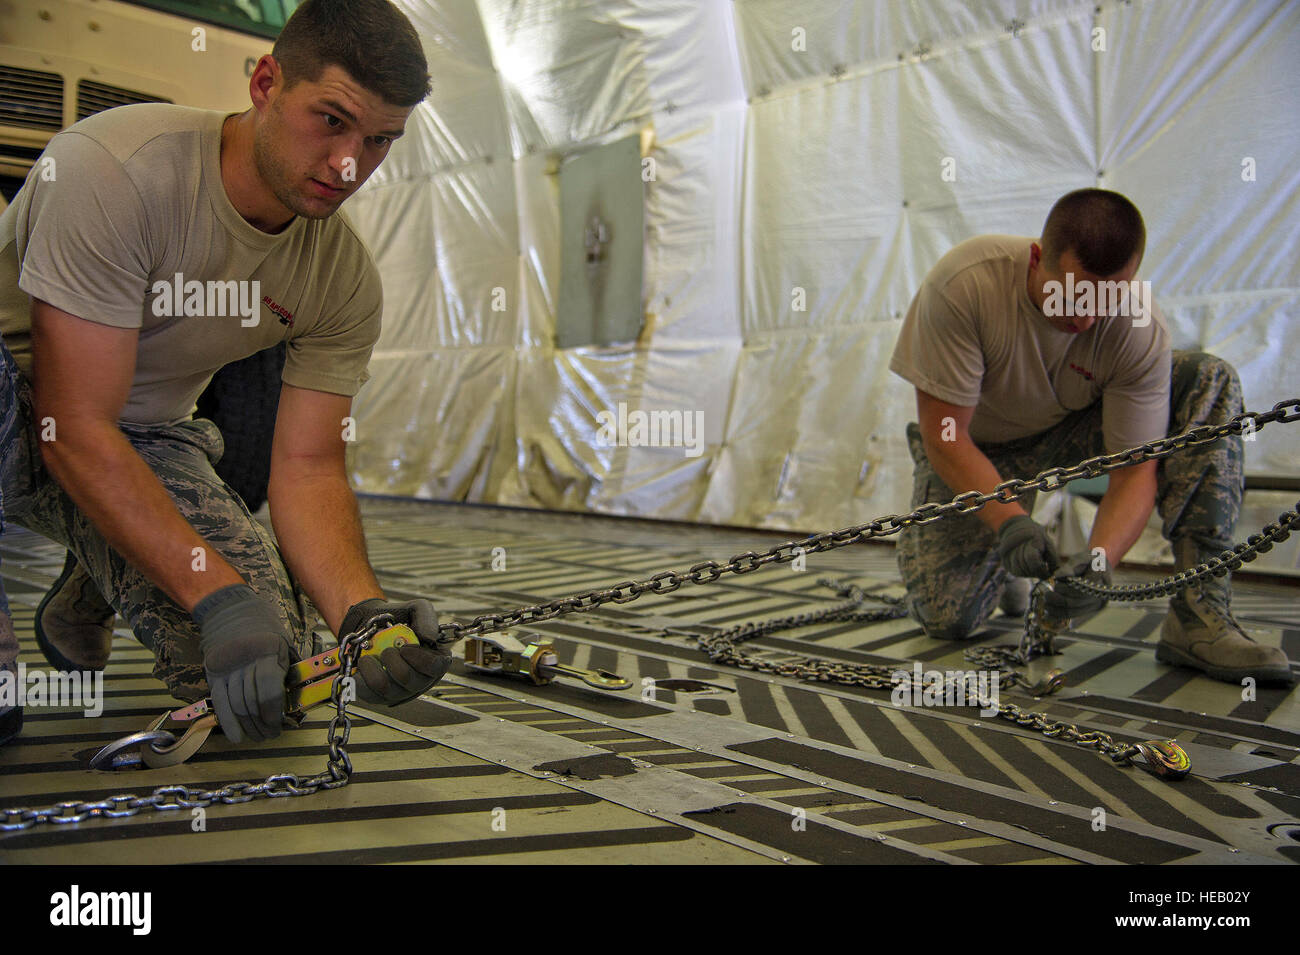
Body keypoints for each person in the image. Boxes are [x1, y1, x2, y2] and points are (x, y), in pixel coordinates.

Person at [0, 0, 452, 746]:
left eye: (379, 141)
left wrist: (360, 612)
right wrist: (215, 594)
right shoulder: (115, 170)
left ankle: (93, 578)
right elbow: (70, 428)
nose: (350, 165)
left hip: (141, 439)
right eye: (331, 120)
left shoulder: (340, 278)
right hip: (24, 405)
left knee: (274, 675)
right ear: (266, 82)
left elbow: (307, 467)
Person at [889, 188, 1292, 685]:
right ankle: (1007, 555)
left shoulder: (1136, 324)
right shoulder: (965, 285)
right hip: (977, 447)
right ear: (1037, 258)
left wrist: (1100, 562)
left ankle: (1199, 613)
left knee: (1206, 379)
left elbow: (1135, 468)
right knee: (948, 618)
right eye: (1074, 295)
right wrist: (1008, 520)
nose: (1085, 319)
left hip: (1072, 434)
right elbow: (947, 435)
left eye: (1106, 299)